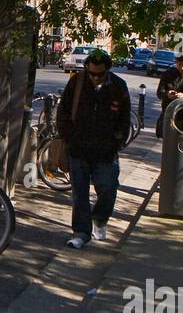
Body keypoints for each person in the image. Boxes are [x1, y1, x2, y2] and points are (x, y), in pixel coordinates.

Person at [56, 48, 131, 247]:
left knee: (108, 190)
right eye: (92, 73)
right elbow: (63, 111)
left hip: (105, 151)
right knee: (79, 194)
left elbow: (125, 119)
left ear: (107, 71)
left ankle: (100, 217)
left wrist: (117, 141)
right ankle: (81, 232)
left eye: (100, 74)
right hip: (78, 148)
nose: (95, 78)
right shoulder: (77, 82)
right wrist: (68, 136)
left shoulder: (118, 86)